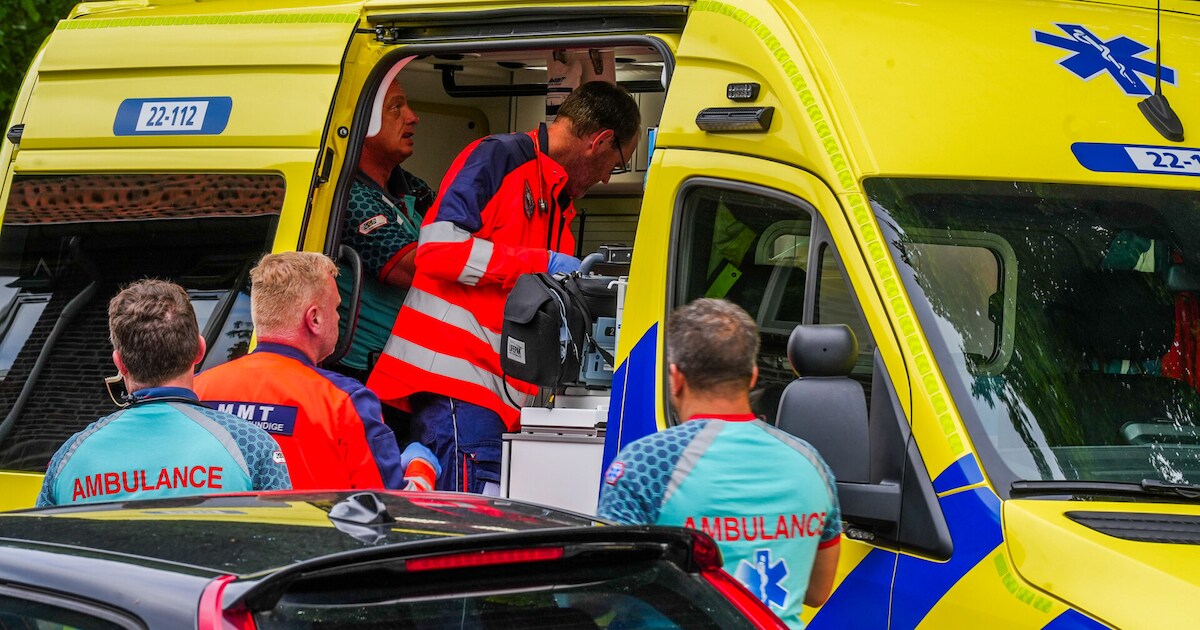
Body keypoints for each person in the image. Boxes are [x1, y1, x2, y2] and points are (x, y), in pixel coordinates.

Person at [367, 81, 641, 494]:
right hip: (456, 386)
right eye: (615, 164)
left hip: (497, 402)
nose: (606, 178)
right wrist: (540, 264)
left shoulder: (557, 205)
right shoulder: (499, 158)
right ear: (600, 141)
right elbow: (437, 250)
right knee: (467, 524)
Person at [597, 299, 841, 628]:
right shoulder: (812, 464)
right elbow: (817, 591)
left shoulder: (647, 463)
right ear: (752, 377)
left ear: (675, 378)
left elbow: (607, 588)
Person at [195, 252, 439, 491]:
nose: (338, 317)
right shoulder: (345, 401)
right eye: (336, 308)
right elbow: (390, 503)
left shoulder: (197, 389)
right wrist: (421, 466)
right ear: (314, 319)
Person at [36, 280, 291, 507]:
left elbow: (39, 542)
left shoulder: (69, 457)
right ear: (199, 351)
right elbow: (283, 536)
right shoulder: (252, 446)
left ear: (119, 363)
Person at [337, 77, 435, 379]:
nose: (413, 117)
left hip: (411, 365)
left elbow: (466, 237)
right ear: (363, 123)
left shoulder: (415, 188)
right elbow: (415, 270)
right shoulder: (347, 196)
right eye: (396, 107)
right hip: (364, 376)